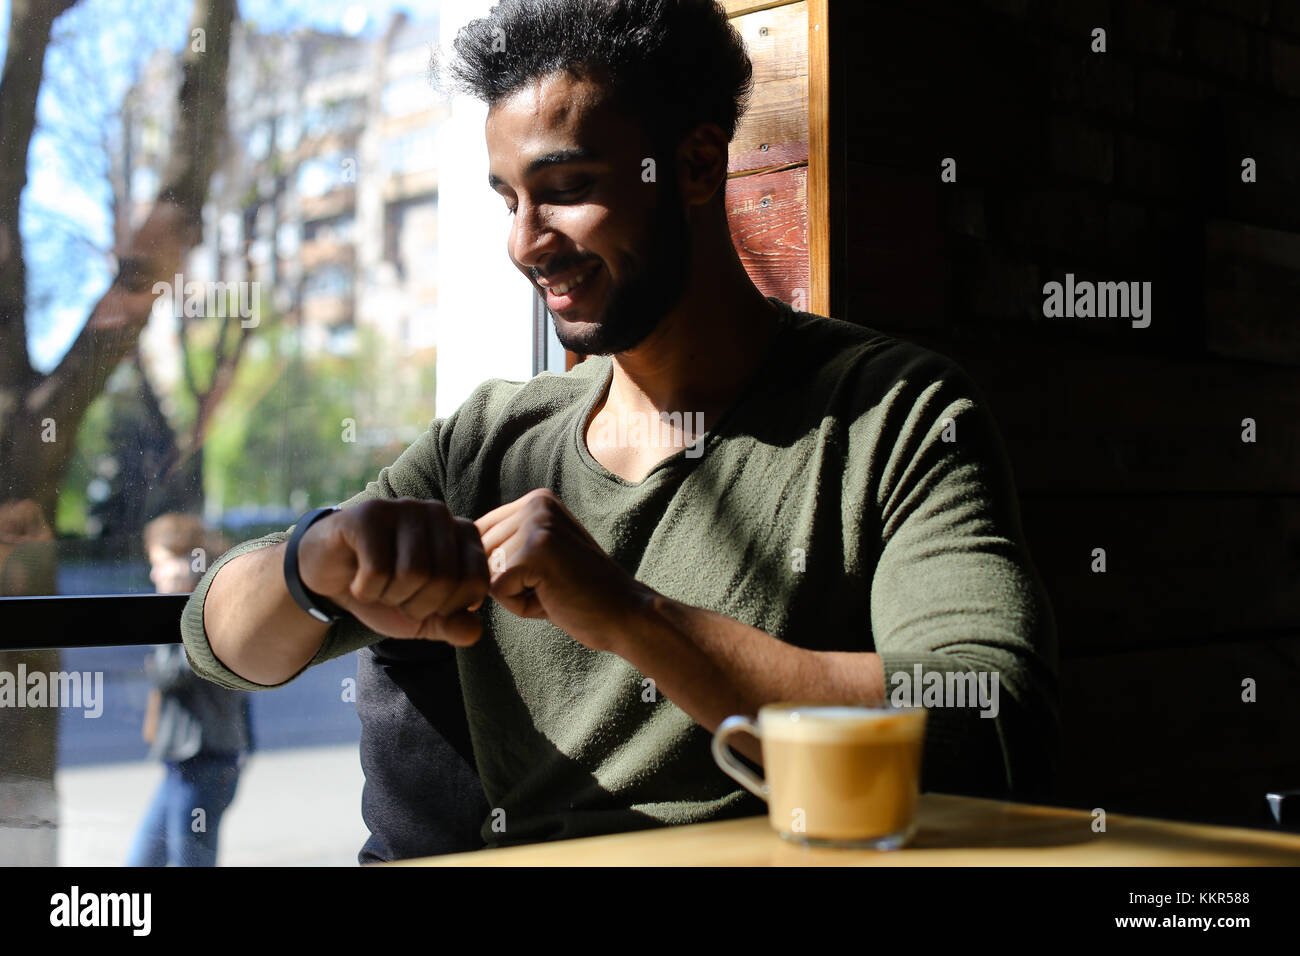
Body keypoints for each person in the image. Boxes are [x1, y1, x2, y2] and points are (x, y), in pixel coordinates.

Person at [180, 0, 1060, 861]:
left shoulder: (893, 414)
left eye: (566, 190)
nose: (526, 242)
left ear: (695, 167)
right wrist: (313, 561)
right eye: (507, 200)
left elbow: (988, 714)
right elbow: (221, 644)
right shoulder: (490, 441)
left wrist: (632, 616)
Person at [128, 513, 251, 867]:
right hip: (184, 763)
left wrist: (172, 619)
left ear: (188, 563)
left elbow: (171, 674)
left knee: (190, 861)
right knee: (142, 861)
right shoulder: (197, 608)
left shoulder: (208, 611)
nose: (154, 576)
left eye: (161, 564)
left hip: (204, 761)